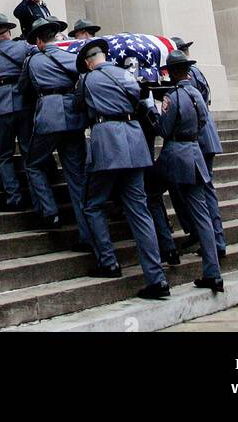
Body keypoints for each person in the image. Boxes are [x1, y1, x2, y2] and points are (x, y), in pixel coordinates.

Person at [76, 38, 170, 297]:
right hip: (134, 141)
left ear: (87, 62)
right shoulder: (126, 75)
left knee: (93, 205)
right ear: (105, 56)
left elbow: (78, 107)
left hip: (106, 143)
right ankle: (156, 278)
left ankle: (108, 261)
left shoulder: (87, 80)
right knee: (139, 211)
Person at [148, 48, 224, 293]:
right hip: (194, 152)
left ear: (170, 72)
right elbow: (202, 122)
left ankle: (167, 244)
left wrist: (151, 111)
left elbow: (163, 129)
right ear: (187, 70)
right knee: (201, 214)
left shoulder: (173, 97)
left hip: (174, 153)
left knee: (150, 193)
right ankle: (213, 272)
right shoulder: (196, 95)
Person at [18, 15, 93, 250]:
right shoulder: (72, 57)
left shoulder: (33, 62)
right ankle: (88, 235)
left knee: (33, 164)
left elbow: (23, 89)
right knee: (77, 178)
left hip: (48, 116)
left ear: (39, 41)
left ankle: (50, 211)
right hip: (73, 116)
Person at [169, 36, 226, 259]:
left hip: (196, 139)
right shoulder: (196, 73)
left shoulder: (188, 77)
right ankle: (204, 235)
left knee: (202, 192)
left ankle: (214, 240)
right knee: (194, 189)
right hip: (203, 137)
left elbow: (188, 109)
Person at [0, 13, 34, 209]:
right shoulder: (23, 48)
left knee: (3, 155)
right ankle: (38, 199)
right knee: (29, 153)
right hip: (23, 104)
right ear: (9, 32)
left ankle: (14, 196)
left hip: (1, 107)